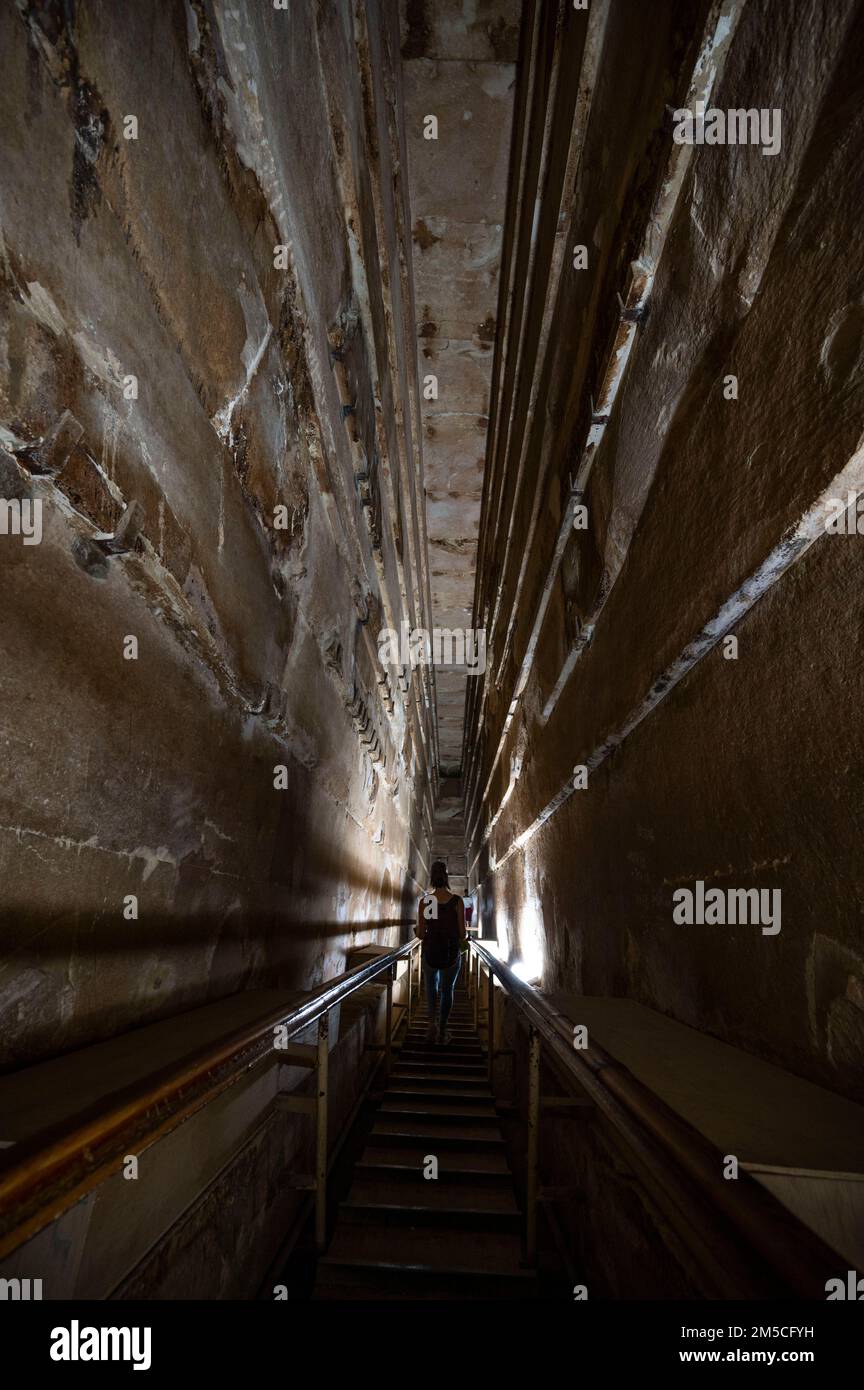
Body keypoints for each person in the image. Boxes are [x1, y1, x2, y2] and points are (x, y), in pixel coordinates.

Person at [415, 860, 466, 1044]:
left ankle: (431, 1026)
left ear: (432, 877)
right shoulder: (456, 901)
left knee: (431, 988)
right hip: (451, 954)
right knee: (447, 990)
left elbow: (422, 934)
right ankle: (443, 1030)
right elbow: (462, 934)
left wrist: (417, 930)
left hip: (430, 953)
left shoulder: (427, 901)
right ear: (446, 877)